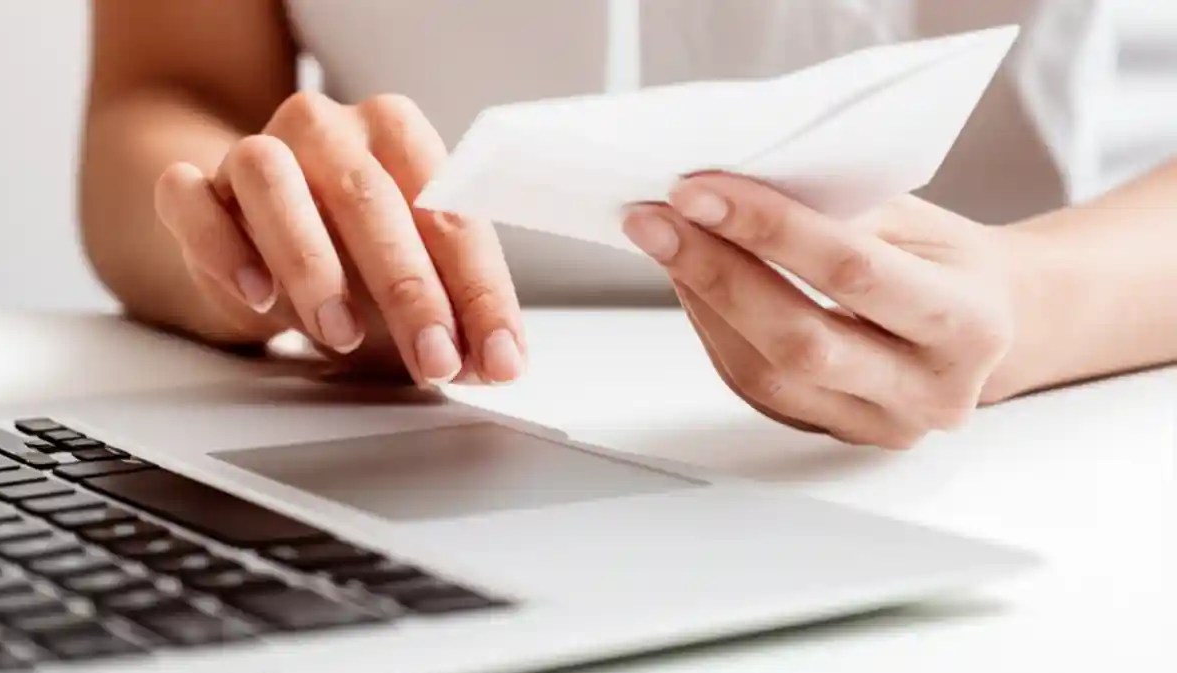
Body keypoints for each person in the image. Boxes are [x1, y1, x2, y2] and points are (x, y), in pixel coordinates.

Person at [81, 1, 1177, 449]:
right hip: (414, 428)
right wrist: (259, 237)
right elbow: (162, 90)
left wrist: (1037, 305)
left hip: (1046, 430)